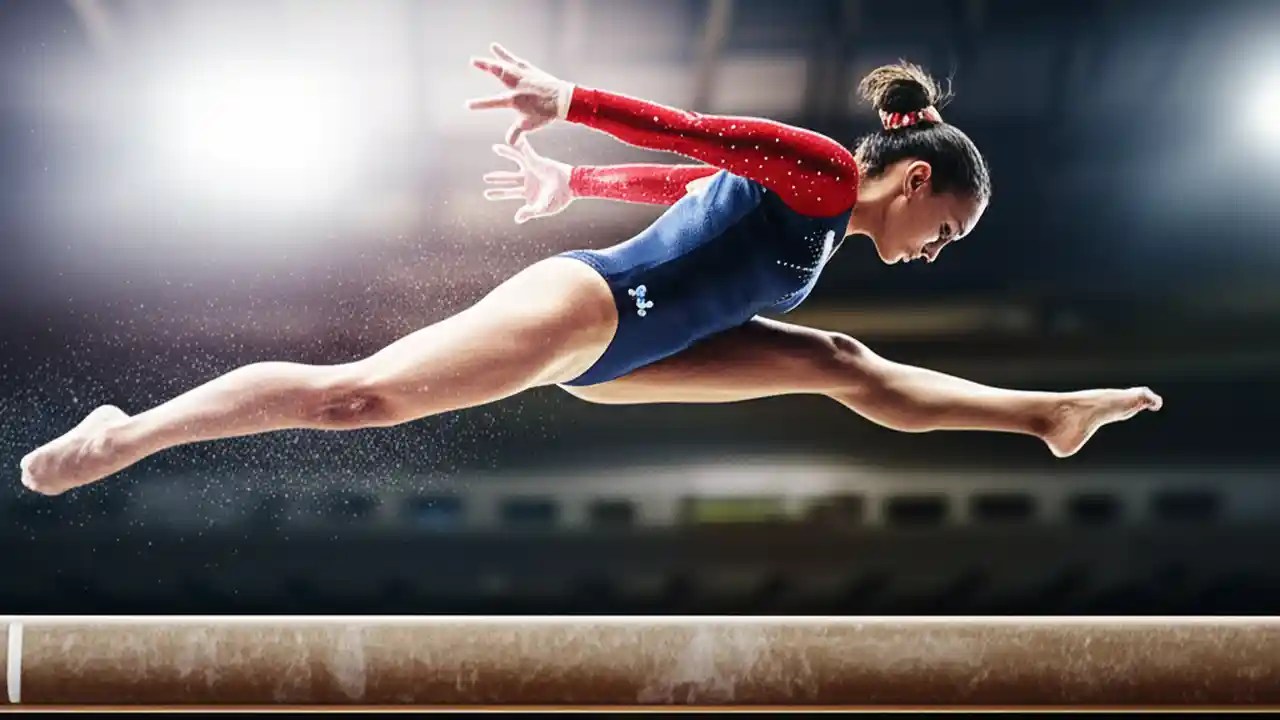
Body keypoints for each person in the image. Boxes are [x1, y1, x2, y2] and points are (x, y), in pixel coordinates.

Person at [18, 43, 1160, 497]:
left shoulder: (811, 226)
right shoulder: (817, 173)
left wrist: (579, 184)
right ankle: (128, 432)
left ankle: (1046, 415)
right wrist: (576, 108)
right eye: (945, 231)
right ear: (909, 180)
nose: (934, 253)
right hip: (594, 310)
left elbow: (692, 197)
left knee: (841, 362)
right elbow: (704, 140)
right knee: (352, 396)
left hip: (637, 347)